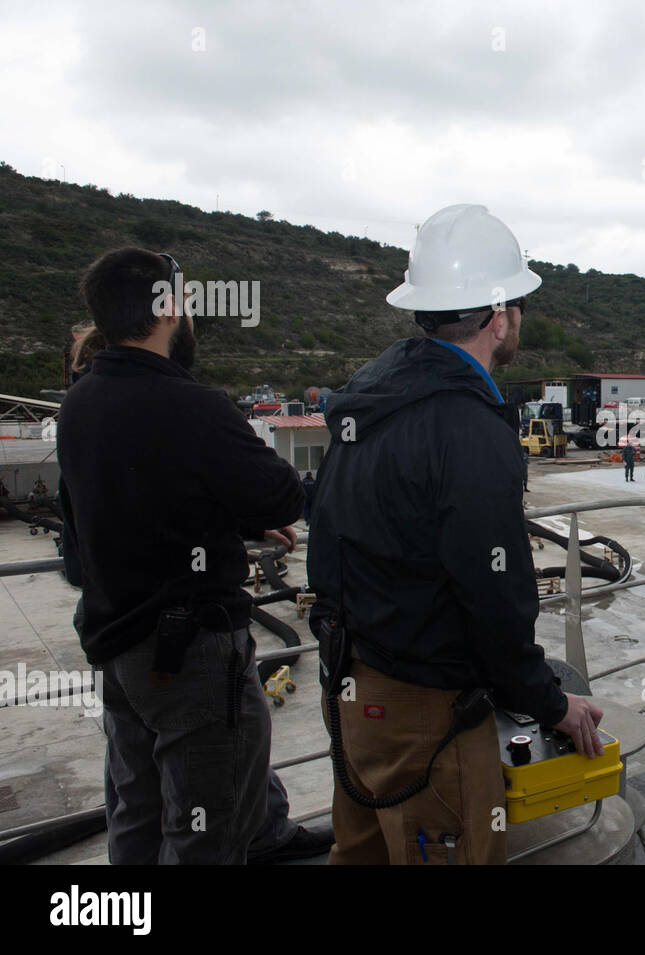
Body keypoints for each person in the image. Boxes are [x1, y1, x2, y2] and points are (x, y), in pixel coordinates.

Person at [306, 204, 604, 866]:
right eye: (517, 306)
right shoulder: (471, 432)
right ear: (498, 318)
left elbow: (324, 544)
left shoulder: (367, 400)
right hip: (426, 716)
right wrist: (547, 702)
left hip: (353, 691)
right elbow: (495, 599)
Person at [58, 248, 329, 864]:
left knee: (138, 813)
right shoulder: (192, 405)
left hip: (117, 644)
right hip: (191, 660)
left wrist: (229, 522)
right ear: (167, 309)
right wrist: (253, 516)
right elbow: (283, 492)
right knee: (207, 831)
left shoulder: (80, 403)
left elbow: (144, 498)